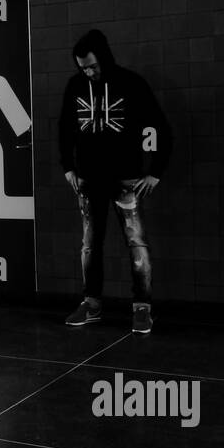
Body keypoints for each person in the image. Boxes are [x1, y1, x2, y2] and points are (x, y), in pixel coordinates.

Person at [58, 29, 171, 334]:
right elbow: (64, 128)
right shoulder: (75, 85)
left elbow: (160, 125)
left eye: (93, 66)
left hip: (126, 179)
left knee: (136, 242)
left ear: (104, 58)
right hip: (89, 180)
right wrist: (68, 166)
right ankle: (92, 305)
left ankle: (142, 309)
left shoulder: (131, 83)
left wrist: (155, 171)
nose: (88, 72)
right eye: (83, 67)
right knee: (90, 245)